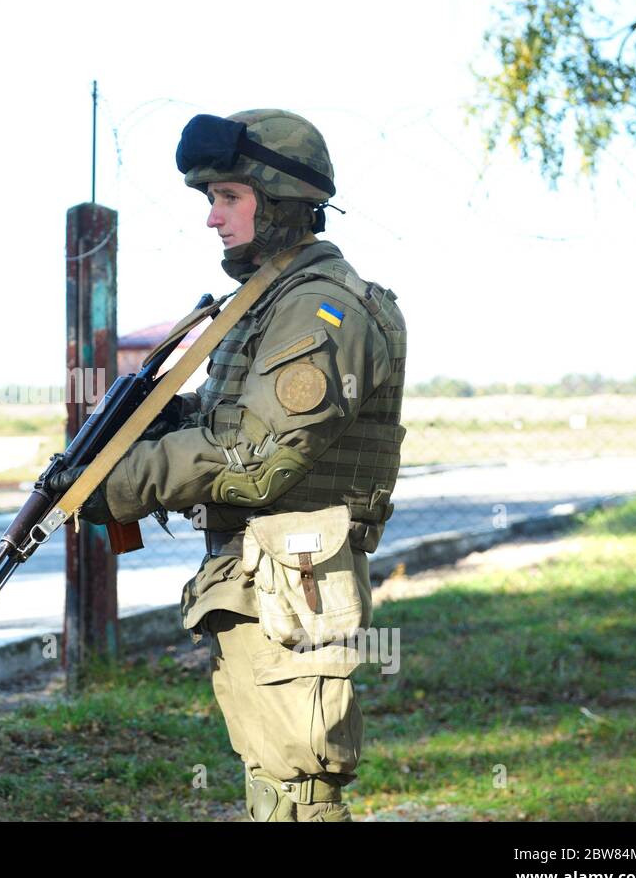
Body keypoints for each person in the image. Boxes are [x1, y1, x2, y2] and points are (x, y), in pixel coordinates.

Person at [54, 109, 407, 821]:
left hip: (293, 584)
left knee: (297, 794)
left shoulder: (317, 309)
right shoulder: (268, 298)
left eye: (228, 197)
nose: (213, 217)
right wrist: (151, 423)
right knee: (271, 783)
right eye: (210, 198)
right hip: (262, 577)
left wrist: (114, 483)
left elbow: (254, 458)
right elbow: (228, 424)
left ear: (278, 199)